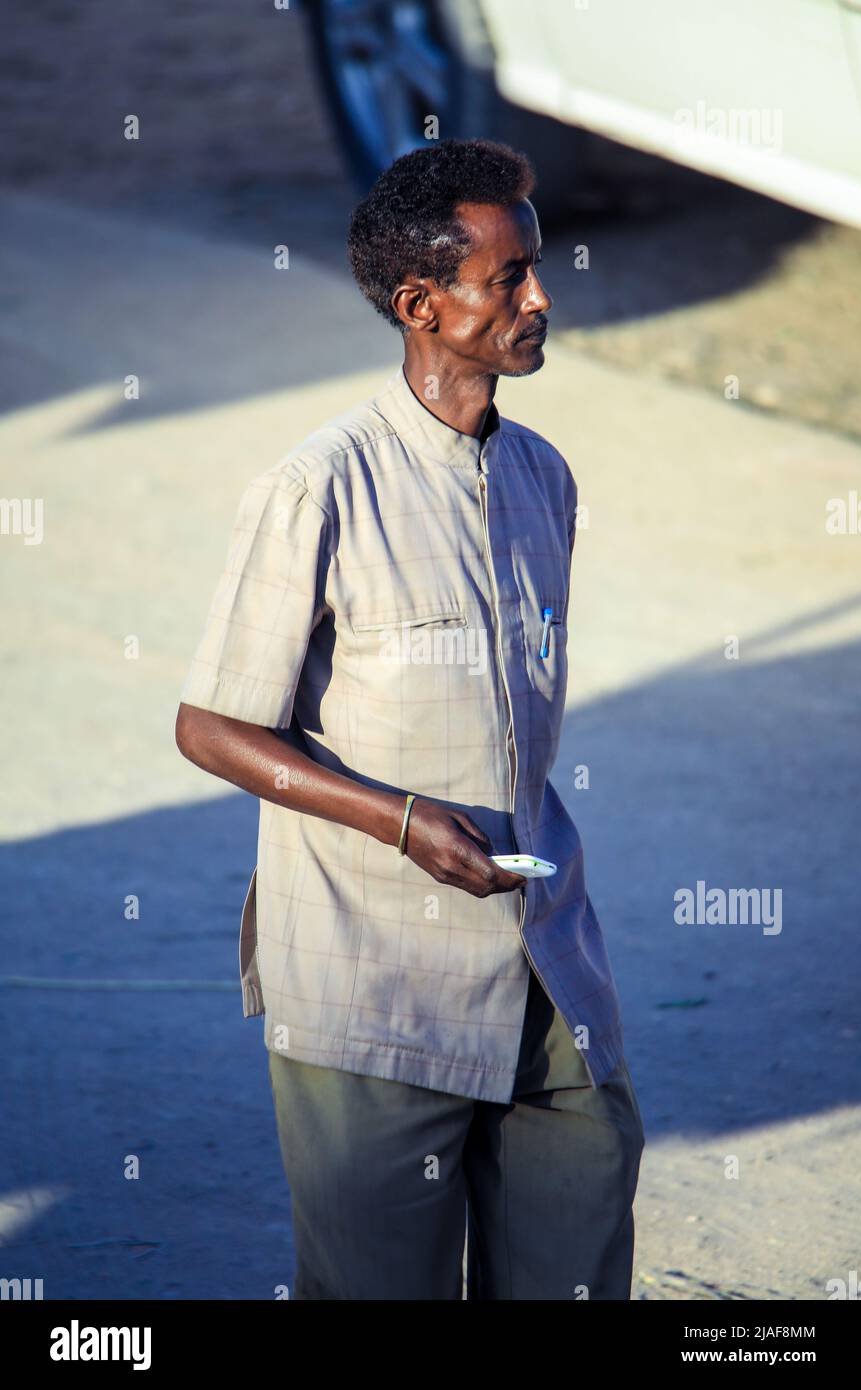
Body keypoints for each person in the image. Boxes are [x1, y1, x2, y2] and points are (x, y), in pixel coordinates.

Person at [175, 137, 644, 1301]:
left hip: (544, 957)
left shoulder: (543, 476)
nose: (540, 297)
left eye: (536, 269)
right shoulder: (315, 487)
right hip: (369, 982)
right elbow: (212, 726)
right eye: (509, 279)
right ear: (420, 304)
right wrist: (401, 821)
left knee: (576, 1251)